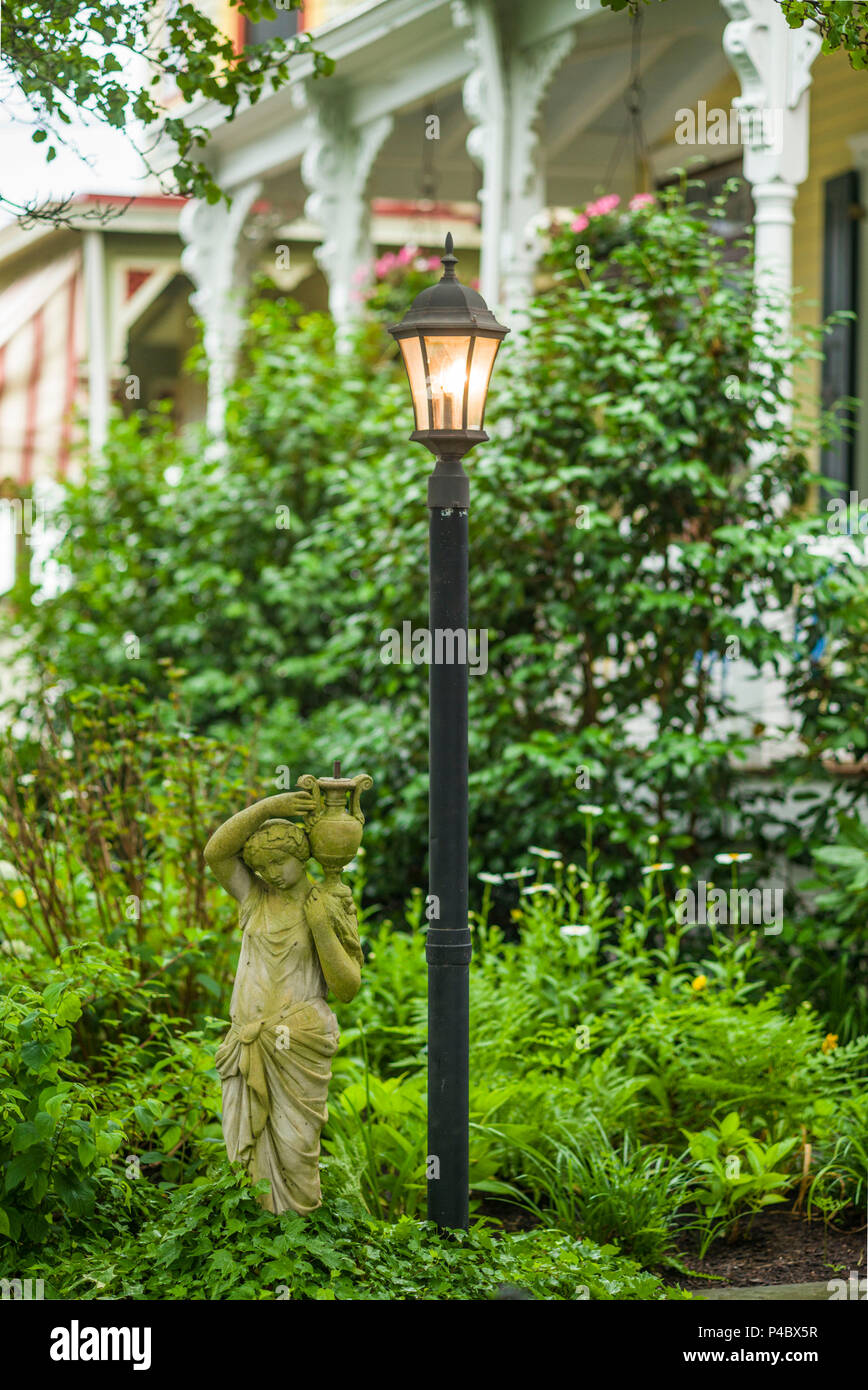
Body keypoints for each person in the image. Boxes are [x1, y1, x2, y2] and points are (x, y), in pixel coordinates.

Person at [204, 792, 363, 1214]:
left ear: (301, 855)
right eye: (262, 867)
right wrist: (268, 808)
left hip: (297, 1043)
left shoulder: (328, 903)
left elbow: (348, 988)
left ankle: (297, 1232)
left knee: (296, 1153)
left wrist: (322, 929)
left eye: (278, 862)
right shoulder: (254, 897)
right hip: (247, 1042)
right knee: (244, 1159)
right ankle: (255, 1235)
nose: (271, 873)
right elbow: (215, 852)